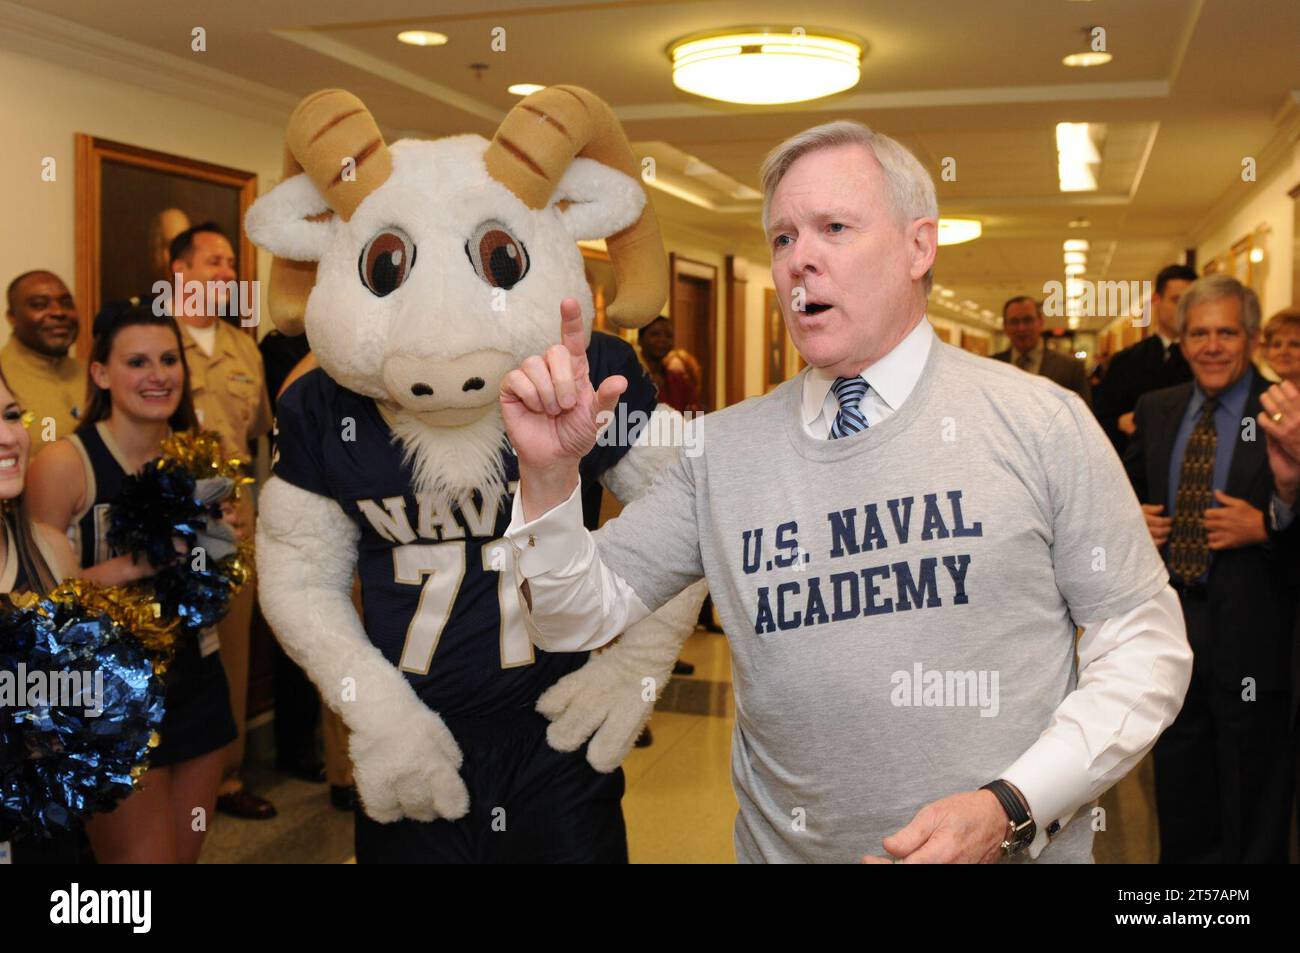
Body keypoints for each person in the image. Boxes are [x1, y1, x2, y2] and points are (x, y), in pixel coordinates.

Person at [499, 119, 1193, 864]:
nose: (801, 261)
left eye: (834, 227)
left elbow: (1145, 645)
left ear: (918, 246)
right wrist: (546, 478)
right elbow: (569, 615)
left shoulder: (1038, 422)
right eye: (784, 238)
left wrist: (1012, 806)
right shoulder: (721, 450)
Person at [26, 305, 238, 863]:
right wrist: (135, 565)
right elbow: (35, 602)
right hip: (108, 695)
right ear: (100, 374)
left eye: (169, 360)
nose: (158, 375)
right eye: (137, 362)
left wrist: (225, 539)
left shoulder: (201, 456)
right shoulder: (64, 463)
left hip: (196, 679)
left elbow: (223, 571)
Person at [1123, 275, 1296, 863]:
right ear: (1182, 336)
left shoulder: (1285, 411)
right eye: (1200, 332)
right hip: (1174, 635)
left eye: (1227, 332)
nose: (1213, 346)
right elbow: (1125, 498)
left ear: (1250, 338)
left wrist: (1270, 523)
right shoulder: (1157, 409)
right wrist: (1133, 524)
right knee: (1181, 788)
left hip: (1257, 636)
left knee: (1254, 799)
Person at [165, 222, 276, 820]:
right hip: (165, 517)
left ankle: (225, 779)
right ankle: (151, 777)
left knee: (230, 646)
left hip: (229, 517)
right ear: (180, 271)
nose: (227, 273)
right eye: (214, 262)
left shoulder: (243, 349)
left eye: (231, 263)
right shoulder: (155, 343)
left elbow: (254, 433)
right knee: (165, 646)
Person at [0, 366, 88, 864]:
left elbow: (82, 699)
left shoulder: (50, 552)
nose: (8, 437)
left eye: (12, 415)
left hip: (45, 833)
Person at [1092, 264, 1198, 452]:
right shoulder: (1125, 361)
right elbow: (1099, 420)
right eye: (1176, 300)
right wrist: (1119, 422)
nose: (1183, 310)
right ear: (1157, 300)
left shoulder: (1207, 359)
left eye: (1190, 302)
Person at [1, 271, 84, 455]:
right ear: (12, 317)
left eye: (66, 303)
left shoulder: (98, 375)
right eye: (39, 305)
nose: (58, 312)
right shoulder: (2, 378)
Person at [991, 297, 1090, 404]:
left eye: (1028, 320)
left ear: (1041, 323)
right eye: (1014, 321)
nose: (1021, 328)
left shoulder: (1071, 368)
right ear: (1005, 327)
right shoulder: (991, 366)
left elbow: (1083, 415)